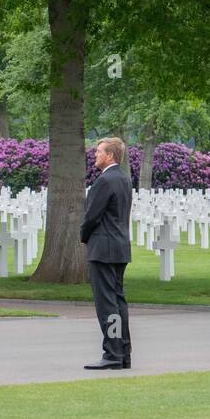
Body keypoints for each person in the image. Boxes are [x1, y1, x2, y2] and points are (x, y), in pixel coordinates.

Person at [81, 136, 133, 370]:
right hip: (119, 246)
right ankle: (123, 351)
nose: (95, 155)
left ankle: (112, 353)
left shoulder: (104, 180)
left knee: (107, 304)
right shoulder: (123, 179)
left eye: (99, 151)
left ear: (110, 155)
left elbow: (92, 215)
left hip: (103, 248)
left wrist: (83, 236)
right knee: (118, 301)